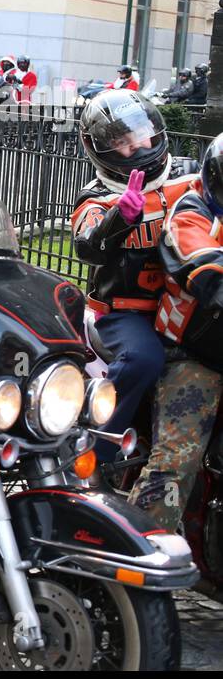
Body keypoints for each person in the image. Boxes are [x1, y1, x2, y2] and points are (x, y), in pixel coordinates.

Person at [71, 90, 197, 453]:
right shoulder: (97, 196)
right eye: (124, 143)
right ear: (103, 151)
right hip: (125, 312)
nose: (138, 148)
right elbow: (88, 246)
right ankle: (97, 450)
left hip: (189, 303)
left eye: (141, 135)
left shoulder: (190, 174)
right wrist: (120, 218)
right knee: (144, 358)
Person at [140, 133, 223, 530]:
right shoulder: (192, 211)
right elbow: (203, 267)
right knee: (176, 461)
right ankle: (136, 561)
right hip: (195, 354)